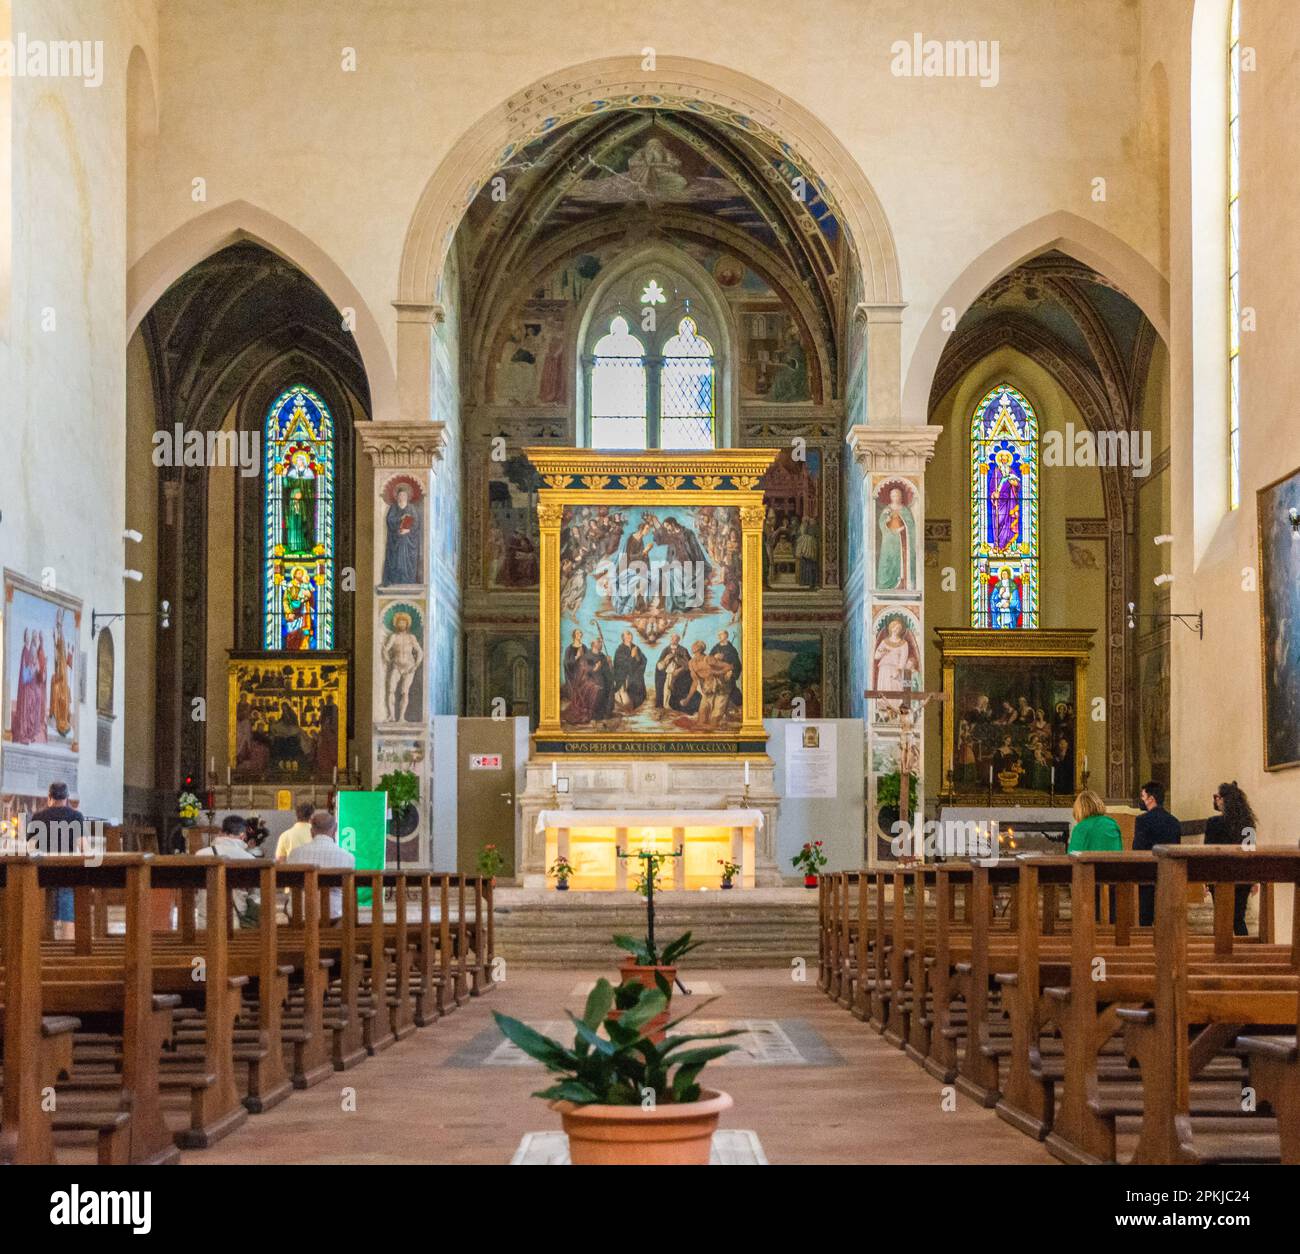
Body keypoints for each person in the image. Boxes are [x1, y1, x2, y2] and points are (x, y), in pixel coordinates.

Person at [31, 782, 86, 940]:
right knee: (67, 911)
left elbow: (30, 849)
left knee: (43, 909)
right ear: (67, 798)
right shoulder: (76, 816)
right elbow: (84, 848)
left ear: (49, 797)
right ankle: (67, 947)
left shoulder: (38, 817)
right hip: (66, 873)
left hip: (42, 875)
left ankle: (42, 946)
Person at [1204, 781, 1258, 937]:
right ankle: (1244, 955)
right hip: (1242, 877)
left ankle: (1222, 954)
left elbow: (1208, 854)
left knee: (1222, 918)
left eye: (1217, 797)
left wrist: (1206, 879)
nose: (1216, 800)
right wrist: (1253, 879)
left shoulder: (1214, 823)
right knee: (1238, 919)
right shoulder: (1248, 824)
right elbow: (1251, 853)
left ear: (1224, 800)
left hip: (1220, 876)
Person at [286, 810, 355, 922]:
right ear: (335, 829)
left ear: (311, 831)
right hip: (335, 915)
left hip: (301, 914)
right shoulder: (348, 857)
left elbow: (289, 883)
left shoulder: (295, 854)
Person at [1132, 780, 1181, 926]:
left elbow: (1138, 848)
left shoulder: (1142, 820)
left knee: (1145, 916)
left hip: (1147, 872)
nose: (1142, 799)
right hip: (1168, 873)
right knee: (1166, 917)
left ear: (1151, 799)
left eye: (1143, 796)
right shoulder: (1174, 822)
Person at [195, 814, 258, 926]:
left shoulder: (200, 855)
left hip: (205, 920)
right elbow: (254, 895)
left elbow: (194, 890)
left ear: (221, 833)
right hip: (235, 922)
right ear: (243, 836)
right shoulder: (249, 859)